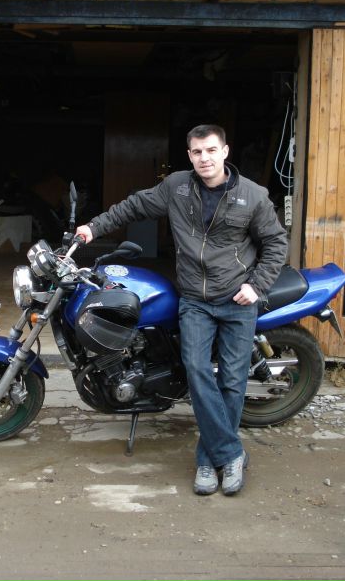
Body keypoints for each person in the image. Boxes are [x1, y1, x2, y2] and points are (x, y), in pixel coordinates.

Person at [76, 124, 287, 496]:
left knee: (233, 381)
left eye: (211, 150)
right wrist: (94, 227)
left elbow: (276, 244)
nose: (204, 158)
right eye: (197, 152)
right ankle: (231, 454)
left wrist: (256, 286)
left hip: (237, 301)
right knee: (196, 371)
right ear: (189, 155)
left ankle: (208, 459)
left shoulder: (252, 195)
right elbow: (133, 206)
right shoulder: (176, 188)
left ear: (225, 151)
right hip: (195, 301)